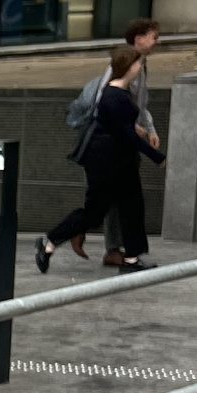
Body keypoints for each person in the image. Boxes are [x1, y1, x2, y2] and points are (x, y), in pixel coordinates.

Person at [36, 43, 162, 274]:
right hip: (105, 163)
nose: (139, 67)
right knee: (94, 211)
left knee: (132, 208)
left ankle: (133, 258)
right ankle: (50, 241)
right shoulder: (113, 97)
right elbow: (127, 134)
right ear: (127, 67)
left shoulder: (122, 94)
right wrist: (157, 157)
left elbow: (128, 130)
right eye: (137, 63)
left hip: (121, 162)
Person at [65, 18, 160, 263]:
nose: (157, 41)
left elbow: (140, 104)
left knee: (118, 198)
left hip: (123, 141)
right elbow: (105, 103)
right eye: (153, 36)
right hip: (112, 145)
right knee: (110, 198)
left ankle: (118, 249)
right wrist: (134, 128)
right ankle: (104, 245)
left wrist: (149, 129)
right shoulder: (123, 64)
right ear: (139, 39)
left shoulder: (140, 64)